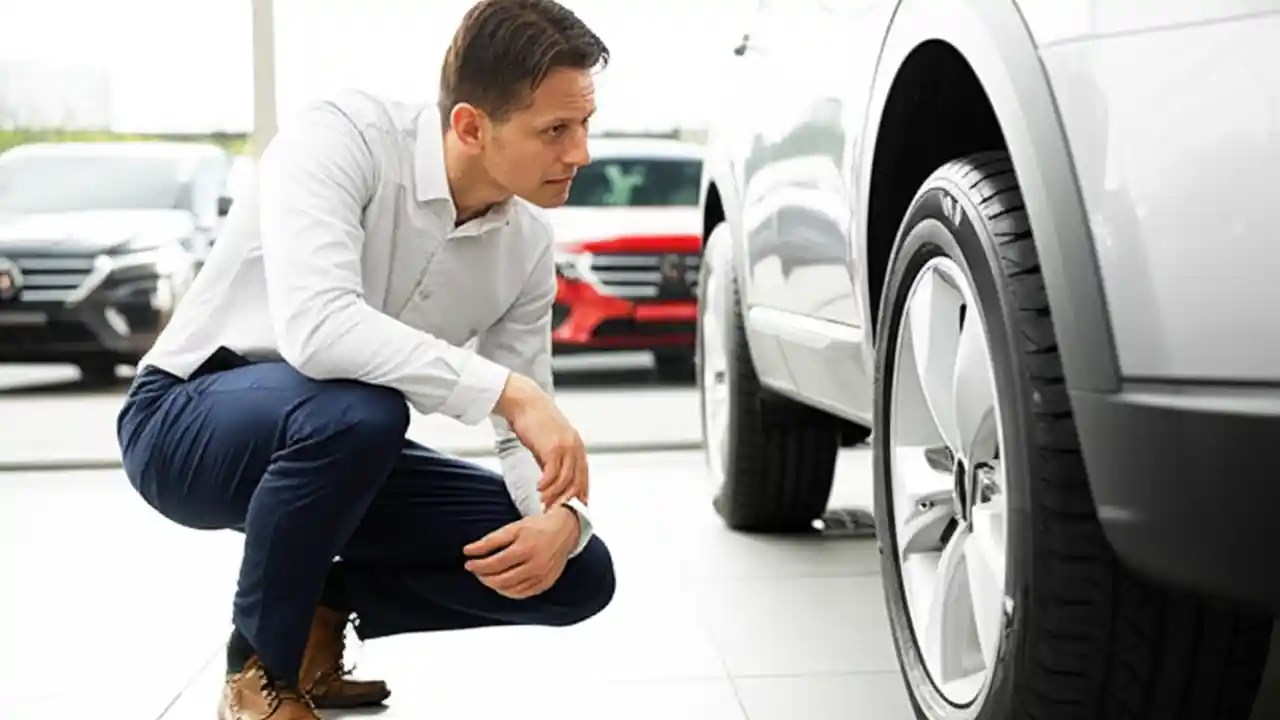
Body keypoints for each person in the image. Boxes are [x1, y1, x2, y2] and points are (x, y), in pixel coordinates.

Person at [115, 2, 615, 718]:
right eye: (556, 131)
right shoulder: (342, 139)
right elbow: (318, 330)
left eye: (585, 125)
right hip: (186, 424)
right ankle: (257, 675)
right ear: (472, 125)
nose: (581, 154)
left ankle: (323, 608)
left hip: (343, 451)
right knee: (362, 411)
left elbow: (520, 432)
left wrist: (560, 518)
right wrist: (509, 391)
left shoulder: (527, 243)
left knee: (579, 574)